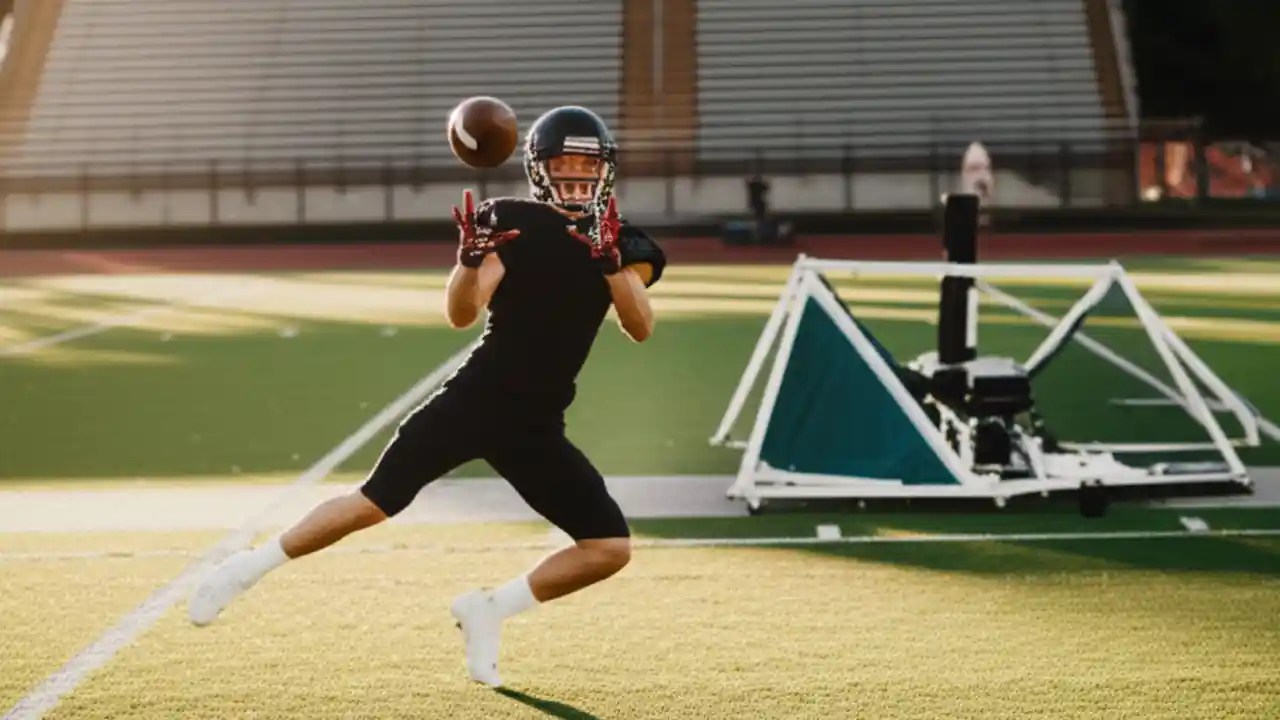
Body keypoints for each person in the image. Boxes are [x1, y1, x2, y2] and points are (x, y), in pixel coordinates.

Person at [187, 106, 666, 689]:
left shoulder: (626, 239)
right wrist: (468, 263)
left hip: (536, 424)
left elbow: (639, 325)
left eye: (585, 164)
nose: (575, 176)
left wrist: (610, 262)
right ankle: (245, 568)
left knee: (608, 547)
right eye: (562, 163)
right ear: (538, 169)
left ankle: (490, 608)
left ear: (605, 169)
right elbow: (461, 315)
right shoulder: (509, 222)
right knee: (373, 503)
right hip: (474, 402)